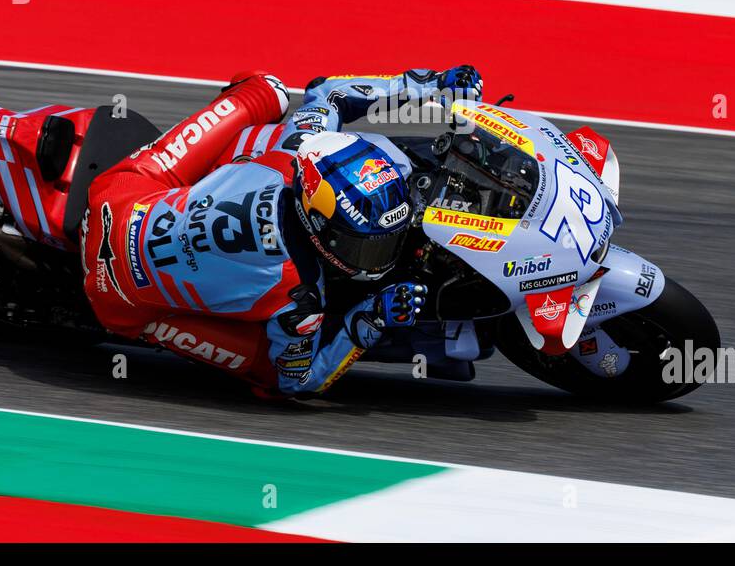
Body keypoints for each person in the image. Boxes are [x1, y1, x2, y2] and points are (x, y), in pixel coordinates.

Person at [79, 65, 482, 396]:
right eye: (365, 246)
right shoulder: (302, 296)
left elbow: (328, 93)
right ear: (319, 227)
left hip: (125, 195)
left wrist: (427, 85)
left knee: (267, 91)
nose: (382, 257)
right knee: (272, 381)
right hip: (120, 299)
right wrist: (370, 318)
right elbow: (300, 380)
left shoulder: (300, 145)